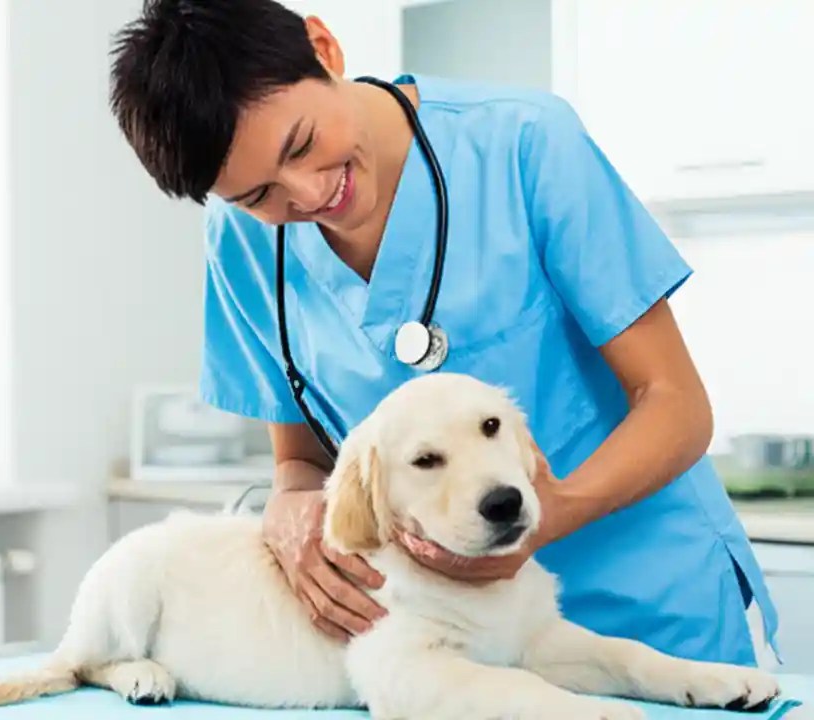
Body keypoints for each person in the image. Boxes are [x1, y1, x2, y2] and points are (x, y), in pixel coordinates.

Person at [107, 0, 779, 667]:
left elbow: (676, 404)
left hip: (652, 615)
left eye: (304, 144)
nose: (306, 195)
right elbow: (302, 459)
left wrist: (553, 511)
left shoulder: (524, 145)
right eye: (257, 195)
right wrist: (289, 509)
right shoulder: (242, 243)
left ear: (324, 48)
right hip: (460, 651)